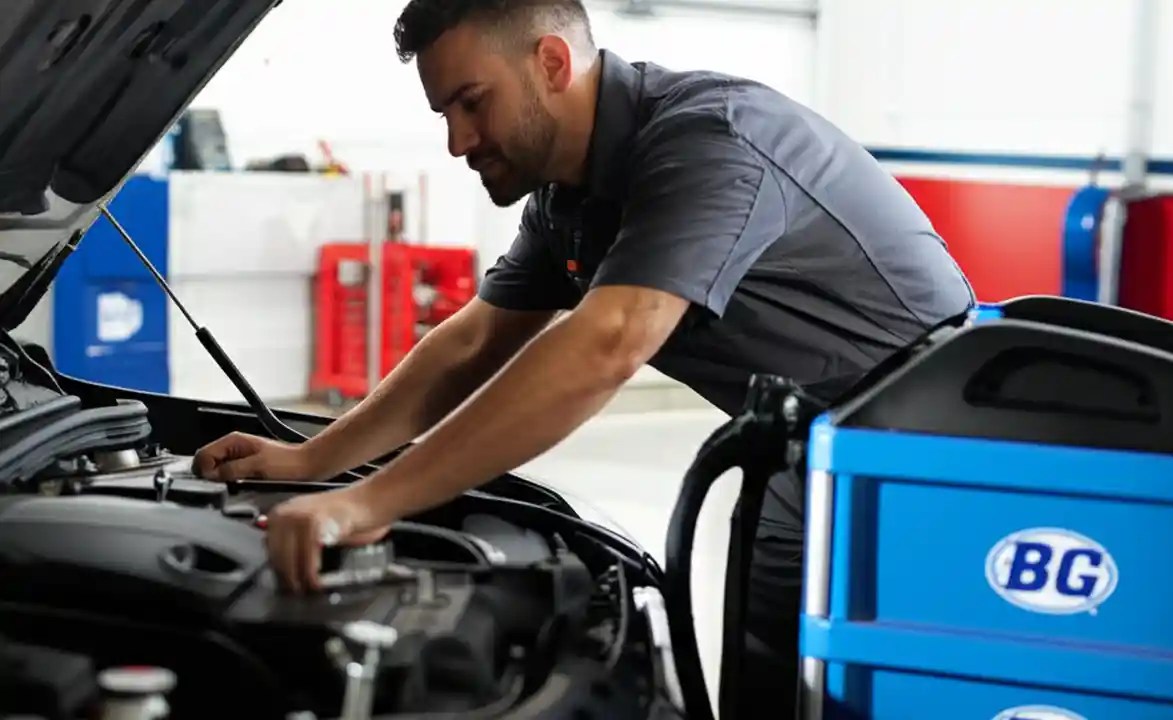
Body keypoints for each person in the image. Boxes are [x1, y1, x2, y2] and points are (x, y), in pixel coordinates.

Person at [192, 0, 976, 714]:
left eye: (472, 103)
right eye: (444, 114)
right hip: (814, 462)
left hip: (940, 461)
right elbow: (471, 342)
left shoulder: (708, 141)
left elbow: (608, 339)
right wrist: (314, 460)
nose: (458, 141)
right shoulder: (566, 199)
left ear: (553, 65)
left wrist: (371, 503)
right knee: (767, 685)